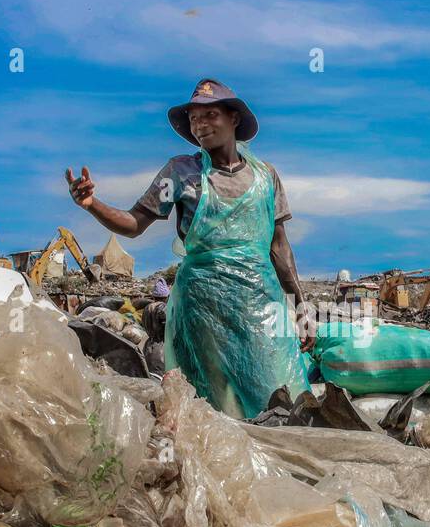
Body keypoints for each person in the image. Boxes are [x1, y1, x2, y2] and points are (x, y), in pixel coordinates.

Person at [65, 78, 311, 419]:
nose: (200, 125)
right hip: (202, 306)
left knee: (277, 387)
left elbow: (279, 246)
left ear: (234, 119)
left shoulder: (266, 177)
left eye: (210, 115)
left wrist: (300, 303)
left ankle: (282, 462)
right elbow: (135, 224)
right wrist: (92, 204)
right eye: (194, 118)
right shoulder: (181, 172)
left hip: (260, 302)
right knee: (214, 403)